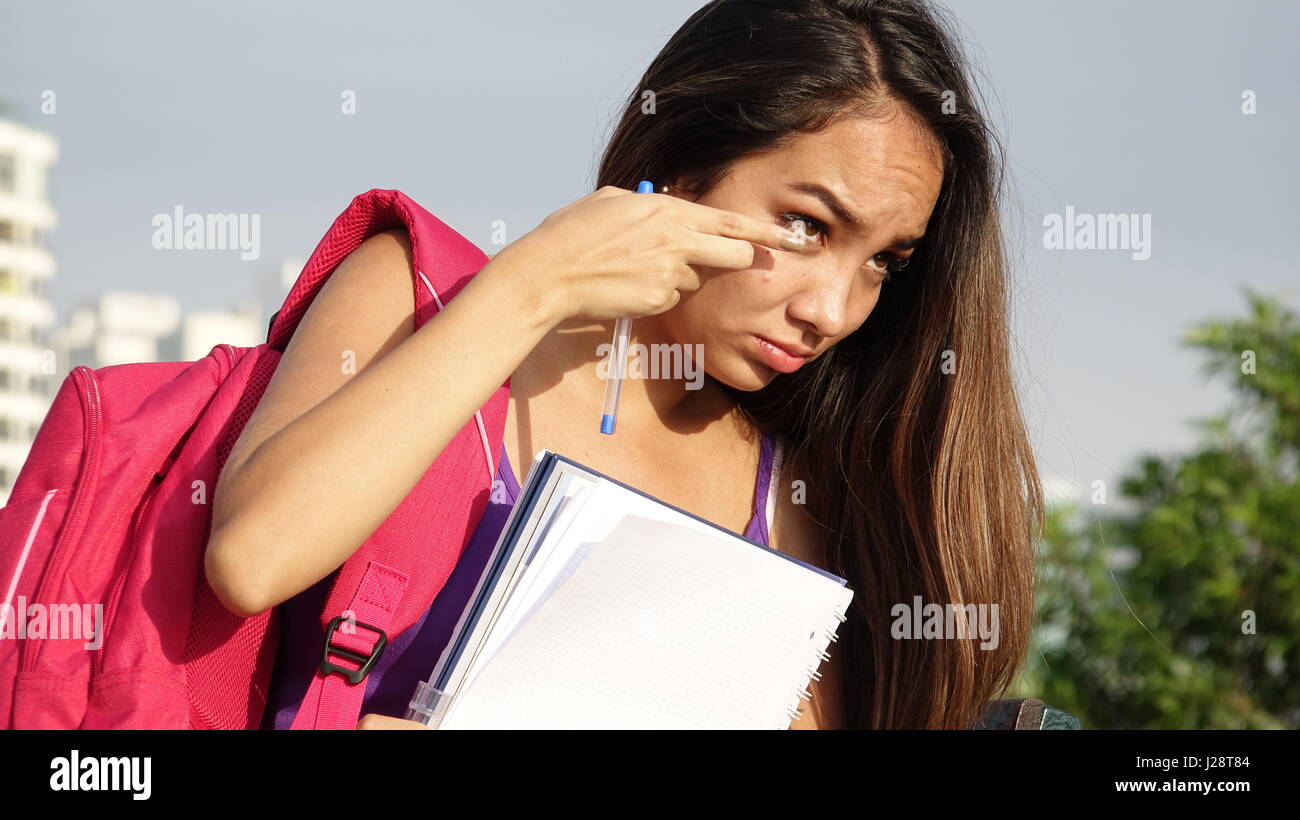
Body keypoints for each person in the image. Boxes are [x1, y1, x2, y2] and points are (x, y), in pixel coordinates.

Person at [205, 0, 1043, 730]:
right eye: (805, 226)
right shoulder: (414, 293)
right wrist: (529, 288)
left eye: (883, 263)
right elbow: (252, 559)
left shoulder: (796, 499)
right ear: (678, 169)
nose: (831, 309)